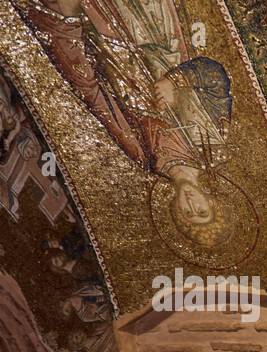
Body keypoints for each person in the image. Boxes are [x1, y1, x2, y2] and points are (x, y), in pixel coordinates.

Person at [21, 0, 236, 248]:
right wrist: (175, 82)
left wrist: (67, 33)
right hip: (151, 32)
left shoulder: (144, 158)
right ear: (212, 200)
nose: (191, 204)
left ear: (177, 212)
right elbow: (217, 78)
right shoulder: (210, 145)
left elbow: (101, 105)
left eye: (189, 214)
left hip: (107, 47)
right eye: (201, 210)